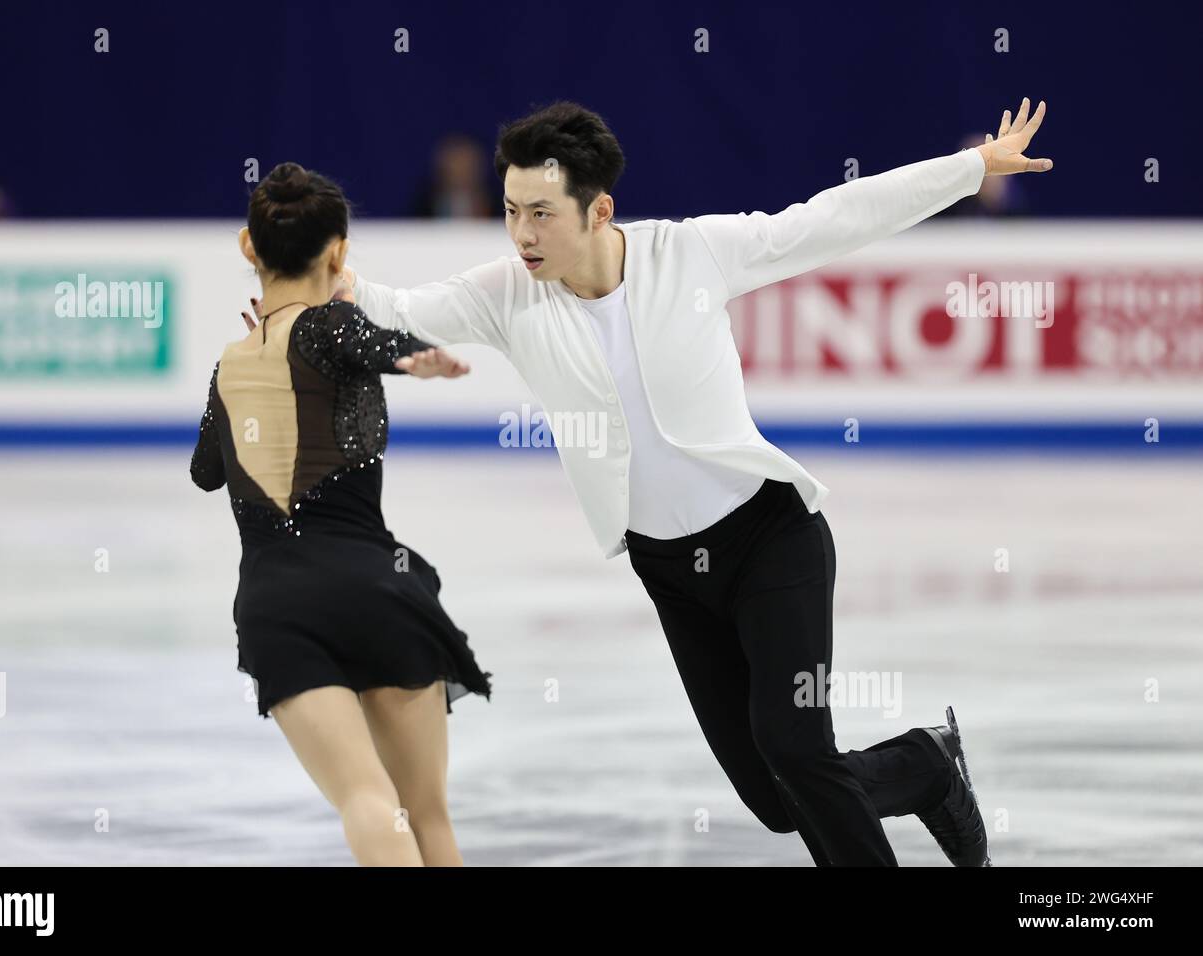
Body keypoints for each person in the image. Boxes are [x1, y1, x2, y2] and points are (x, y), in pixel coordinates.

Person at [313, 98, 1052, 866]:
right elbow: (400, 310)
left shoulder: (691, 254)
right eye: (509, 211)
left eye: (541, 213)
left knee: (797, 753)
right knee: (778, 802)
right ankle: (926, 766)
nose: (523, 233)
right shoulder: (508, 295)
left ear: (599, 209)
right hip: (670, 571)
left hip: (772, 541)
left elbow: (834, 218)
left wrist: (972, 170)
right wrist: (326, 282)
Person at [192, 162, 490, 866]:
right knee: (427, 815)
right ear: (340, 254)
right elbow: (370, 344)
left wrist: (253, 365)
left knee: (365, 798)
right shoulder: (336, 328)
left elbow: (206, 473)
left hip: (276, 604)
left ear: (248, 248)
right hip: (374, 589)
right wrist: (417, 356)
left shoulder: (229, 365)